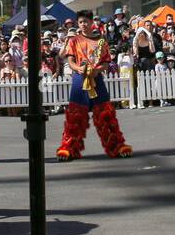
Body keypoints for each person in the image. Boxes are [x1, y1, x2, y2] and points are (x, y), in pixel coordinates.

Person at [55, 10, 132, 161]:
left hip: (96, 78)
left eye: (85, 22)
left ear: (91, 23)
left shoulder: (100, 40)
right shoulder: (74, 40)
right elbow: (70, 61)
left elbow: (105, 62)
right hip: (79, 79)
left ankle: (116, 145)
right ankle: (69, 148)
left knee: (106, 114)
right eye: (80, 22)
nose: (83, 25)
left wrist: (97, 70)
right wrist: (78, 69)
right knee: (75, 115)